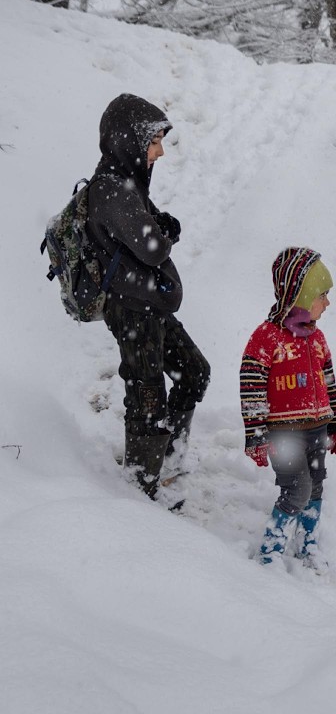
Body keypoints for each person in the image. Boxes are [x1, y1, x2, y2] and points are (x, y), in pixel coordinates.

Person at [86, 93, 210, 500]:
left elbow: (146, 228)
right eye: (154, 141)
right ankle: (140, 490)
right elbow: (152, 247)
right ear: (129, 140)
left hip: (148, 305)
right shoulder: (111, 187)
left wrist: (159, 222)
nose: (160, 151)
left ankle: (168, 462)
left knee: (194, 371)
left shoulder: (127, 180)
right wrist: (165, 233)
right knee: (147, 397)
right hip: (131, 310)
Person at [240, 247, 336, 567]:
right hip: (282, 433)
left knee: (316, 487)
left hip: (317, 428)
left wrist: (335, 424)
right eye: (322, 295)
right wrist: (256, 434)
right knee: (297, 491)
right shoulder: (267, 338)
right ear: (301, 294)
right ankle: (270, 553)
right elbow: (251, 385)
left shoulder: (317, 338)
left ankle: (306, 545)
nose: (327, 303)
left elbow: (328, 383)